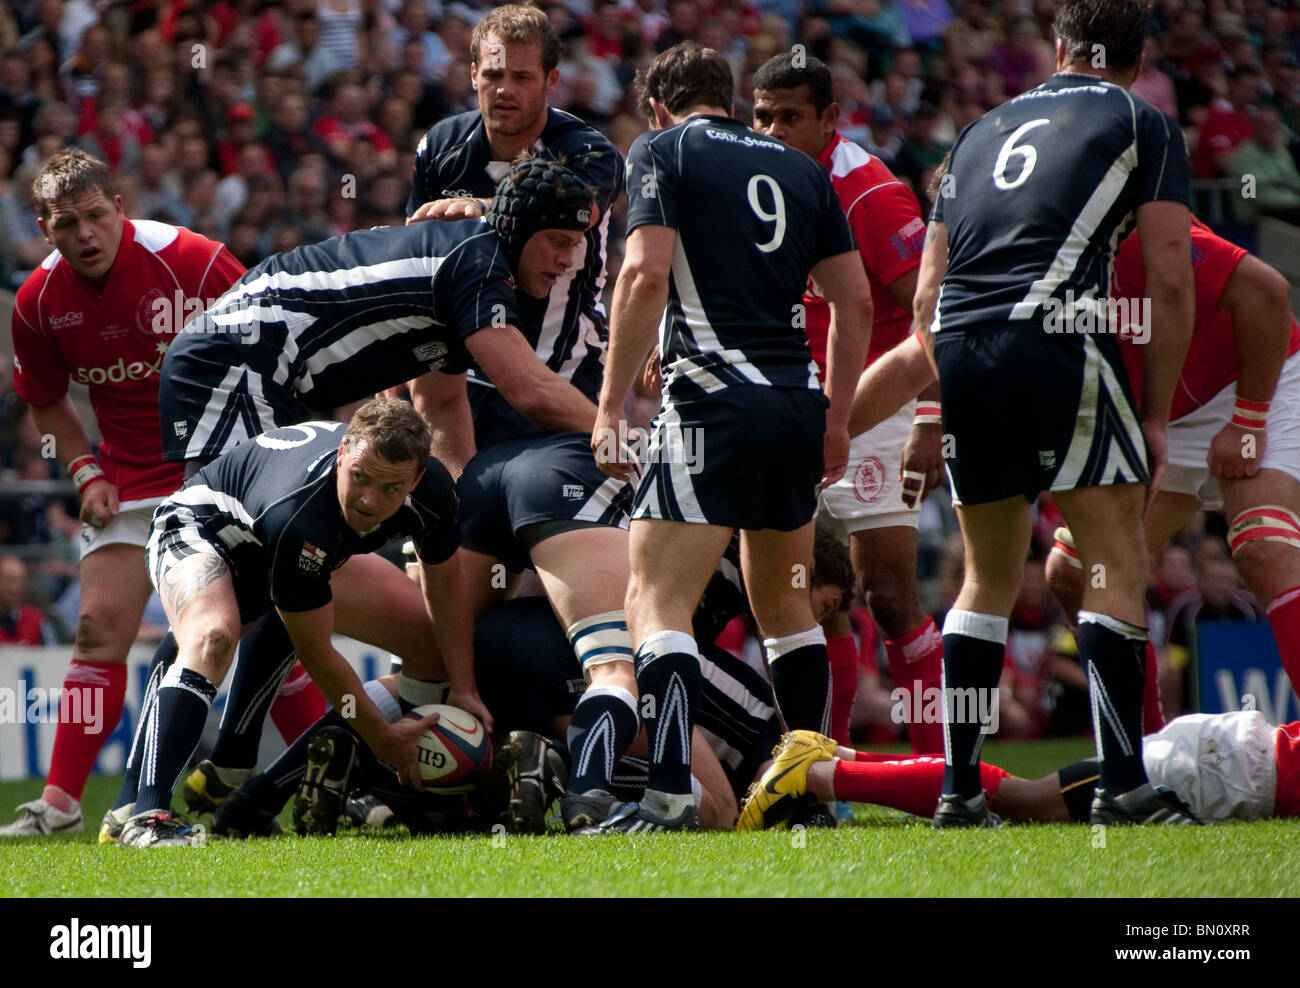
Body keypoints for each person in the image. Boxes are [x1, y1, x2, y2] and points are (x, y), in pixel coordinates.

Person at [910, 0, 1197, 827]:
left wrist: (941, 399)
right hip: (1059, 337)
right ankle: (1121, 785)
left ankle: (959, 792)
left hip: (962, 346)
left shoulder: (979, 129)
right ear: (1137, 62)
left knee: (984, 577)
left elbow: (928, 290)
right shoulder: (1141, 120)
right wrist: (1153, 414)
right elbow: (1171, 277)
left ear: (1061, 48)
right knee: (1113, 559)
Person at [588, 42, 873, 832]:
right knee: (786, 609)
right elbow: (854, 302)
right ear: (730, 98)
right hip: (794, 406)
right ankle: (810, 800)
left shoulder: (662, 148)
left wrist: (611, 404)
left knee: (654, 600)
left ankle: (670, 795)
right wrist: (838, 415)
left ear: (657, 107)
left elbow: (645, 272)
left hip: (712, 408)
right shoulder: (803, 168)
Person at [405, 5, 636, 833]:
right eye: (492, 72)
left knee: (554, 598)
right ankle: (445, 776)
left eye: (522, 75)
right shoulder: (439, 147)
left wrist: (464, 207)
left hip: (559, 393)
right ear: (472, 71)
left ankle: (569, 751)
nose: (504, 90)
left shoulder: (590, 152)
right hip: (467, 397)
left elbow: (550, 205)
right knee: (451, 609)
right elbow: (414, 264)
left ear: (551, 80)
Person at [0, 150, 250, 838]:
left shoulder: (192, 259)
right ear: (45, 229)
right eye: (67, 224)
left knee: (264, 634)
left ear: (121, 206)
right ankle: (58, 806)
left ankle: (324, 779)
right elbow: (44, 400)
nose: (85, 235)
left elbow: (269, 339)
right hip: (130, 482)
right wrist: (85, 472)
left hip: (218, 472)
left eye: (96, 216)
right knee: (95, 629)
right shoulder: (39, 301)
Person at [118, 399, 469, 847]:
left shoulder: (433, 489)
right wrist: (382, 737)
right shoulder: (299, 518)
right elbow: (316, 652)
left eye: (390, 489)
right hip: (200, 526)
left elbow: (446, 583)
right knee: (211, 636)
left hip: (281, 543)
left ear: (417, 479)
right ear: (343, 453)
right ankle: (145, 817)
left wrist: (464, 686)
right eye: (360, 477)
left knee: (427, 642)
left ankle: (402, 793)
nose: (368, 500)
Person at [752, 51, 946, 754]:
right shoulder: (759, 177)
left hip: (875, 410)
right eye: (762, 116)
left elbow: (935, 314)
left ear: (830, 118)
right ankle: (820, 778)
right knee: (811, 601)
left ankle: (935, 770)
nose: (772, 131)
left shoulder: (868, 190)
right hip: (789, 408)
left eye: (790, 118)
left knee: (888, 596)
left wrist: (930, 417)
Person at [1046, 218, 1300, 713]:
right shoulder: (1027, 264)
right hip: (1161, 418)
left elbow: (1269, 292)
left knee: (1262, 547)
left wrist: (1247, 423)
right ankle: (1141, 761)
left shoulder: (1141, 232)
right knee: (1077, 571)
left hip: (1253, 382)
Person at [740, 707, 1300, 828]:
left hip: (1226, 756)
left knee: (1020, 798)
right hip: (1222, 768)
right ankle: (815, 776)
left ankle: (836, 759)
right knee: (1026, 801)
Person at [0, 555, 55, 645]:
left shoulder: (37, 620)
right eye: (8, 581)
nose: (14, 589)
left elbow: (54, 653)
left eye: (19, 582)